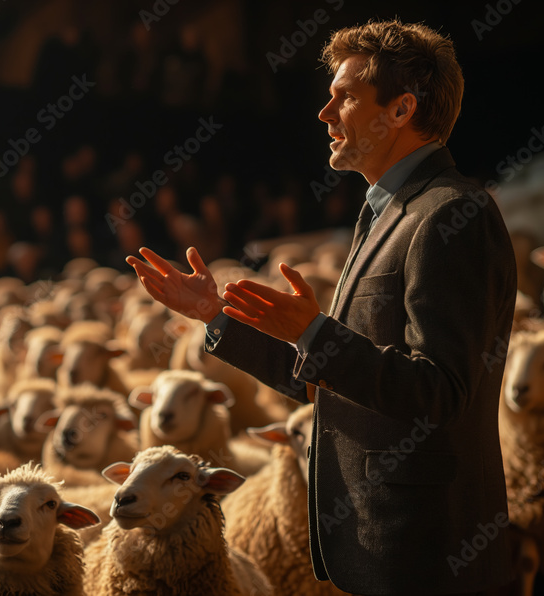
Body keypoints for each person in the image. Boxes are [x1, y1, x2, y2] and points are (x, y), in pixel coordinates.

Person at [127, 20, 515, 596]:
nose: (325, 113)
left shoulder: (451, 215)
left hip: (427, 555)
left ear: (401, 108)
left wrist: (314, 332)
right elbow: (330, 382)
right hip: (380, 548)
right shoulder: (388, 213)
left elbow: (439, 391)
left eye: (346, 96)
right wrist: (215, 316)